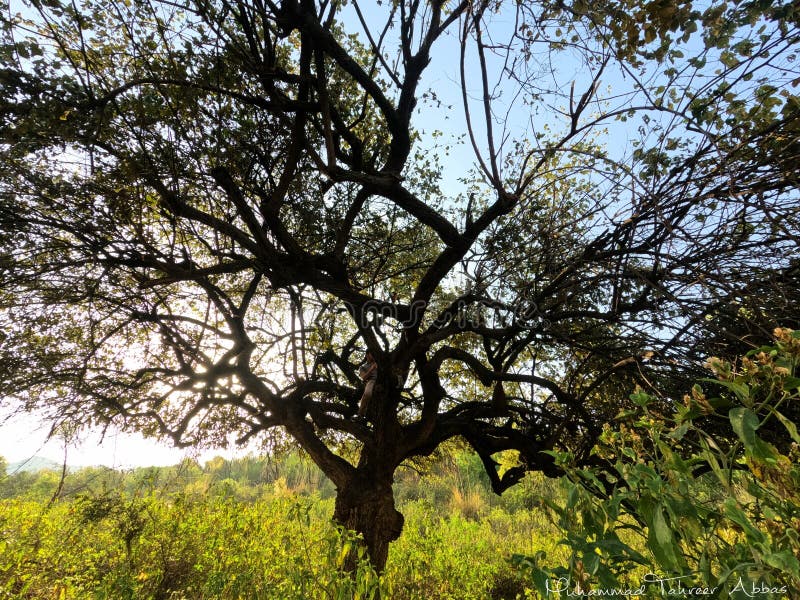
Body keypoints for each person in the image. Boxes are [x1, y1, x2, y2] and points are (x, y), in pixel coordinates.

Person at [357, 352, 377, 419]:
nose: (374, 356)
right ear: (367, 355)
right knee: (367, 393)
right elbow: (364, 377)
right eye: (372, 354)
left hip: (382, 381)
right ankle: (361, 414)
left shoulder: (379, 362)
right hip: (371, 381)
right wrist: (372, 369)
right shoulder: (362, 367)